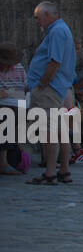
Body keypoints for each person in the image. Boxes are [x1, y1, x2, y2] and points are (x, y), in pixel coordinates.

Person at [26, 2, 78, 185]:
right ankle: (64, 170)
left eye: (38, 17)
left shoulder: (56, 31)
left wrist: (41, 84)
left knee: (48, 131)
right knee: (59, 130)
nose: (37, 22)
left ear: (47, 15)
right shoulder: (62, 29)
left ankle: (50, 172)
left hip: (49, 89)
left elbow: (54, 62)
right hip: (59, 88)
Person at [0, 42, 29, 176]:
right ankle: (3, 162)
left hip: (19, 104)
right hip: (5, 106)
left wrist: (9, 92)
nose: (10, 65)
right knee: (7, 116)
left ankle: (10, 157)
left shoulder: (19, 68)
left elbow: (25, 88)